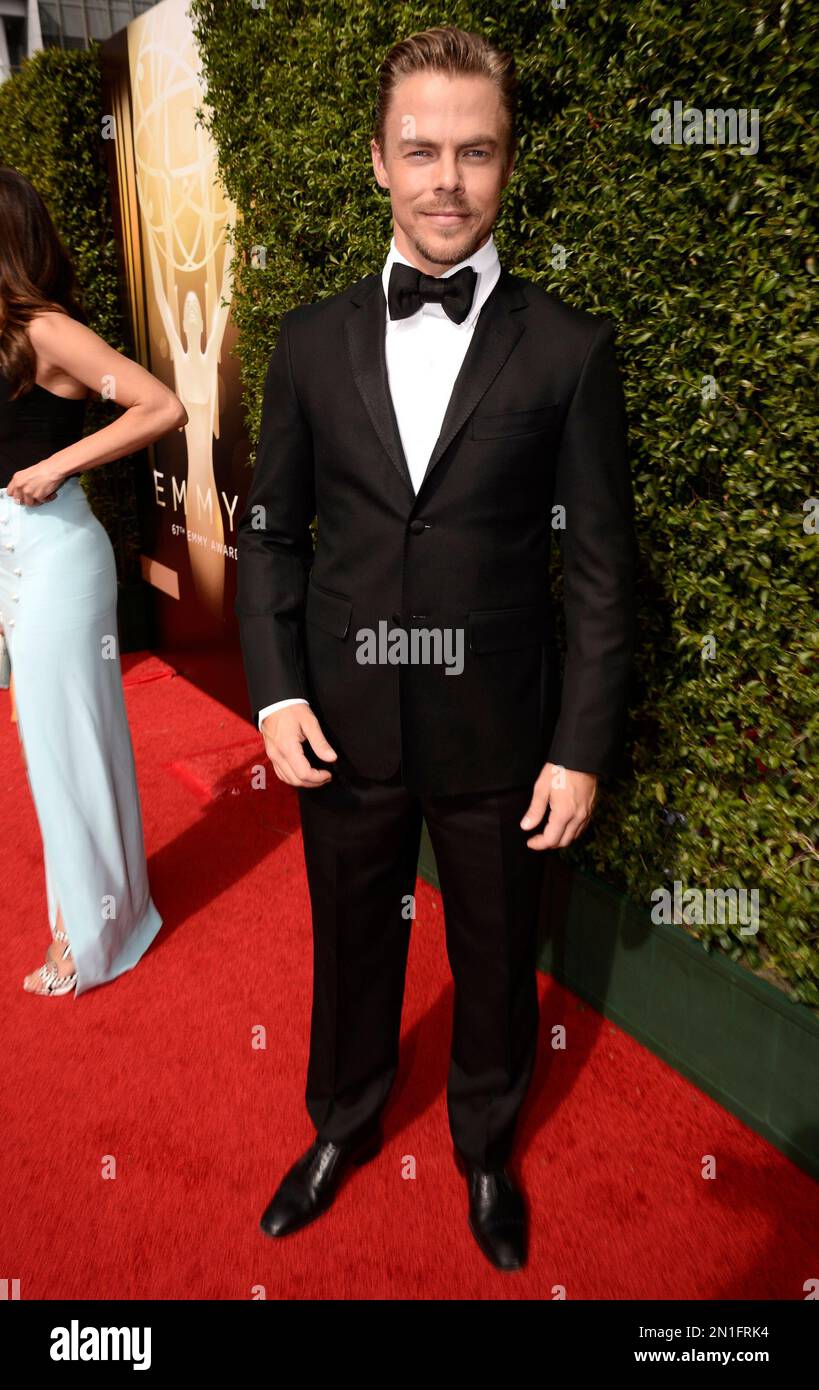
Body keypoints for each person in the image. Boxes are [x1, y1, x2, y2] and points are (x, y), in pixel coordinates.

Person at [235, 25, 636, 1270]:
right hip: (344, 725)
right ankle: (340, 1126)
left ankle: (482, 1149)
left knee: (496, 959)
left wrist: (578, 748)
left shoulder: (571, 349)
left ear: (507, 164)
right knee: (352, 942)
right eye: (421, 150)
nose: (446, 178)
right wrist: (275, 688)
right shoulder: (305, 343)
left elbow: (602, 573)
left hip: (500, 737)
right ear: (377, 162)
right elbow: (270, 535)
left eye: (474, 151)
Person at [0, 167, 187, 997]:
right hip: (13, 554)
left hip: (56, 554)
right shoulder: (9, 333)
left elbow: (159, 405)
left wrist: (58, 462)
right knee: (56, 747)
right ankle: (115, 911)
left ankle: (90, 939)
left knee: (64, 751)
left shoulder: (47, 331)